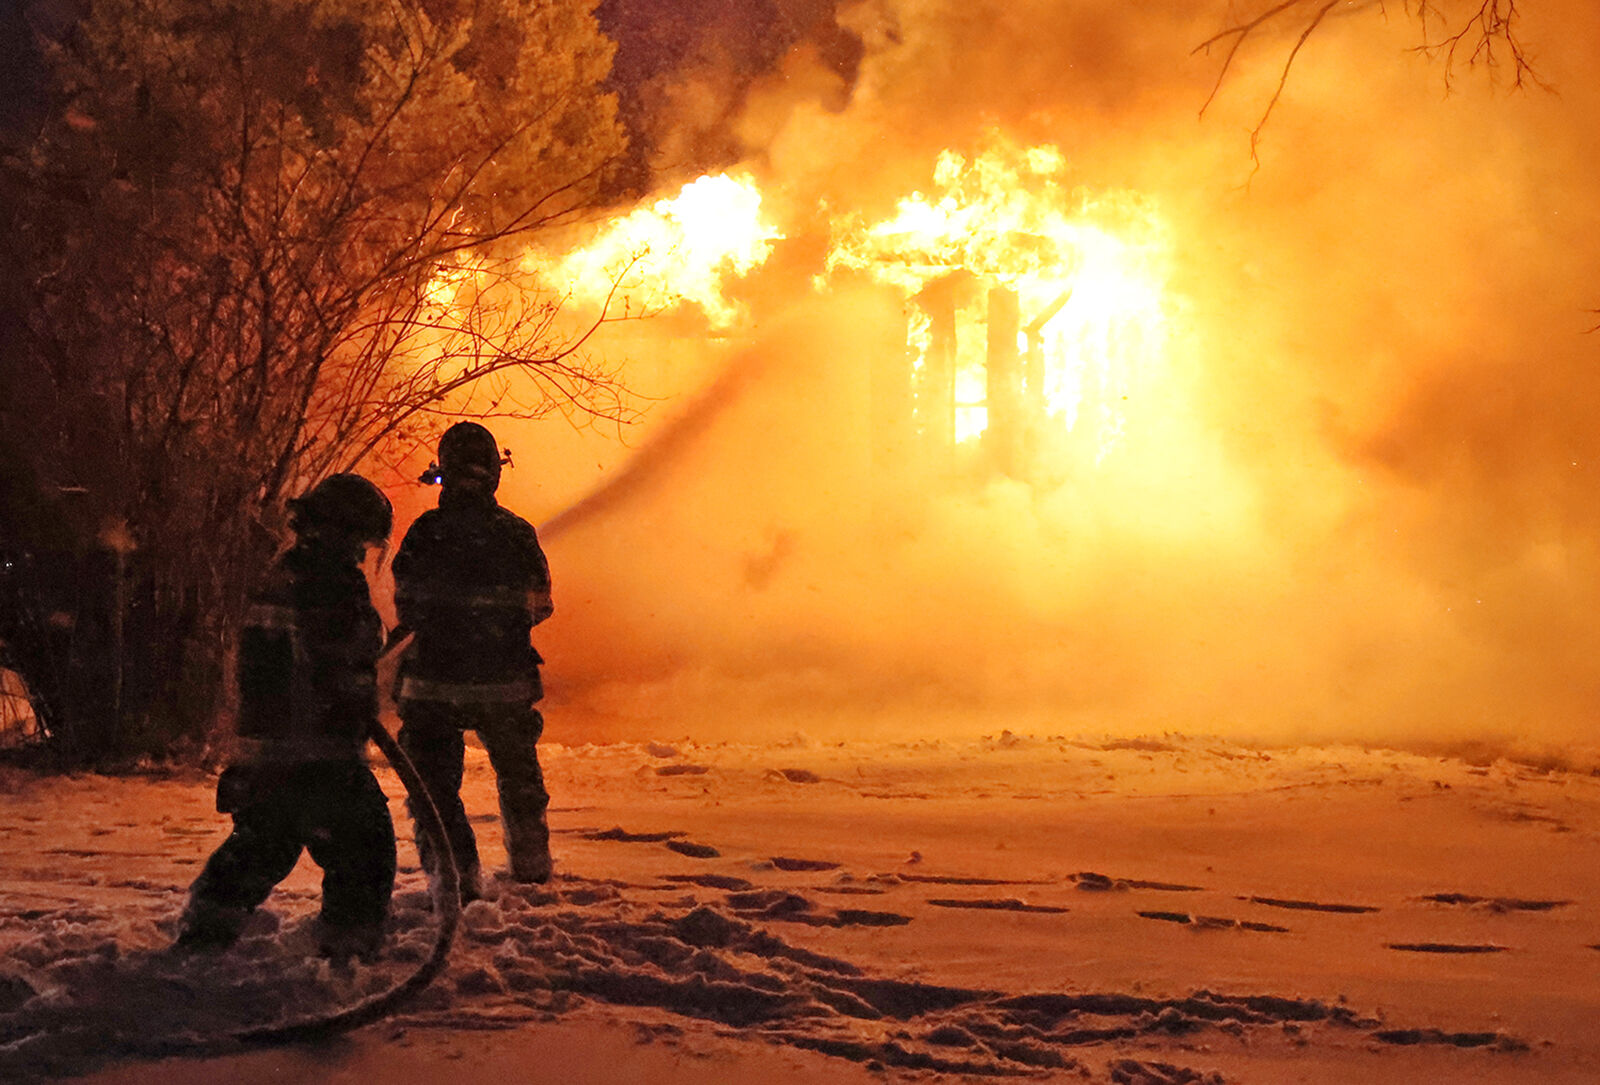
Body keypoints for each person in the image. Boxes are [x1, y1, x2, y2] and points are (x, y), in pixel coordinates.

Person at [176, 474, 397, 960]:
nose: (362, 554)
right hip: (317, 746)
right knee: (365, 849)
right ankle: (349, 950)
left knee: (263, 845)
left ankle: (203, 937)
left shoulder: (288, 571)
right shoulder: (330, 581)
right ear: (344, 531)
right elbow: (342, 656)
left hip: (271, 744)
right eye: (362, 542)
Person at [393, 422, 554, 901]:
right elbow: (541, 604)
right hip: (505, 683)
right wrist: (496, 629)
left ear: (442, 470)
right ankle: (531, 865)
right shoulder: (517, 534)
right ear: (494, 474)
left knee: (434, 787)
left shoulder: (425, 533)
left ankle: (456, 877)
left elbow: (406, 605)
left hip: (433, 686)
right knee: (519, 776)